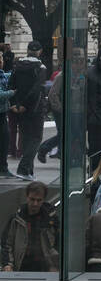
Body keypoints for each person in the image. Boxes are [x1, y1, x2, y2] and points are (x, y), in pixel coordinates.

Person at [10, 41, 48, 180]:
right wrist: (27, 104)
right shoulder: (40, 67)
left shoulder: (17, 66)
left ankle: (29, 172)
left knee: (26, 138)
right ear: (40, 51)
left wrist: (15, 104)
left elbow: (11, 85)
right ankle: (24, 168)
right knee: (36, 138)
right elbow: (37, 89)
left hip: (19, 108)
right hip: (35, 108)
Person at [1, 181, 59, 272]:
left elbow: (59, 243)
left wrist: (56, 265)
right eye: (32, 199)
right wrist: (8, 264)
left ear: (43, 200)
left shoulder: (51, 219)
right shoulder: (16, 218)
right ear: (27, 197)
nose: (35, 203)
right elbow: (6, 243)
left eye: (39, 200)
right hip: (21, 265)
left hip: (45, 266)